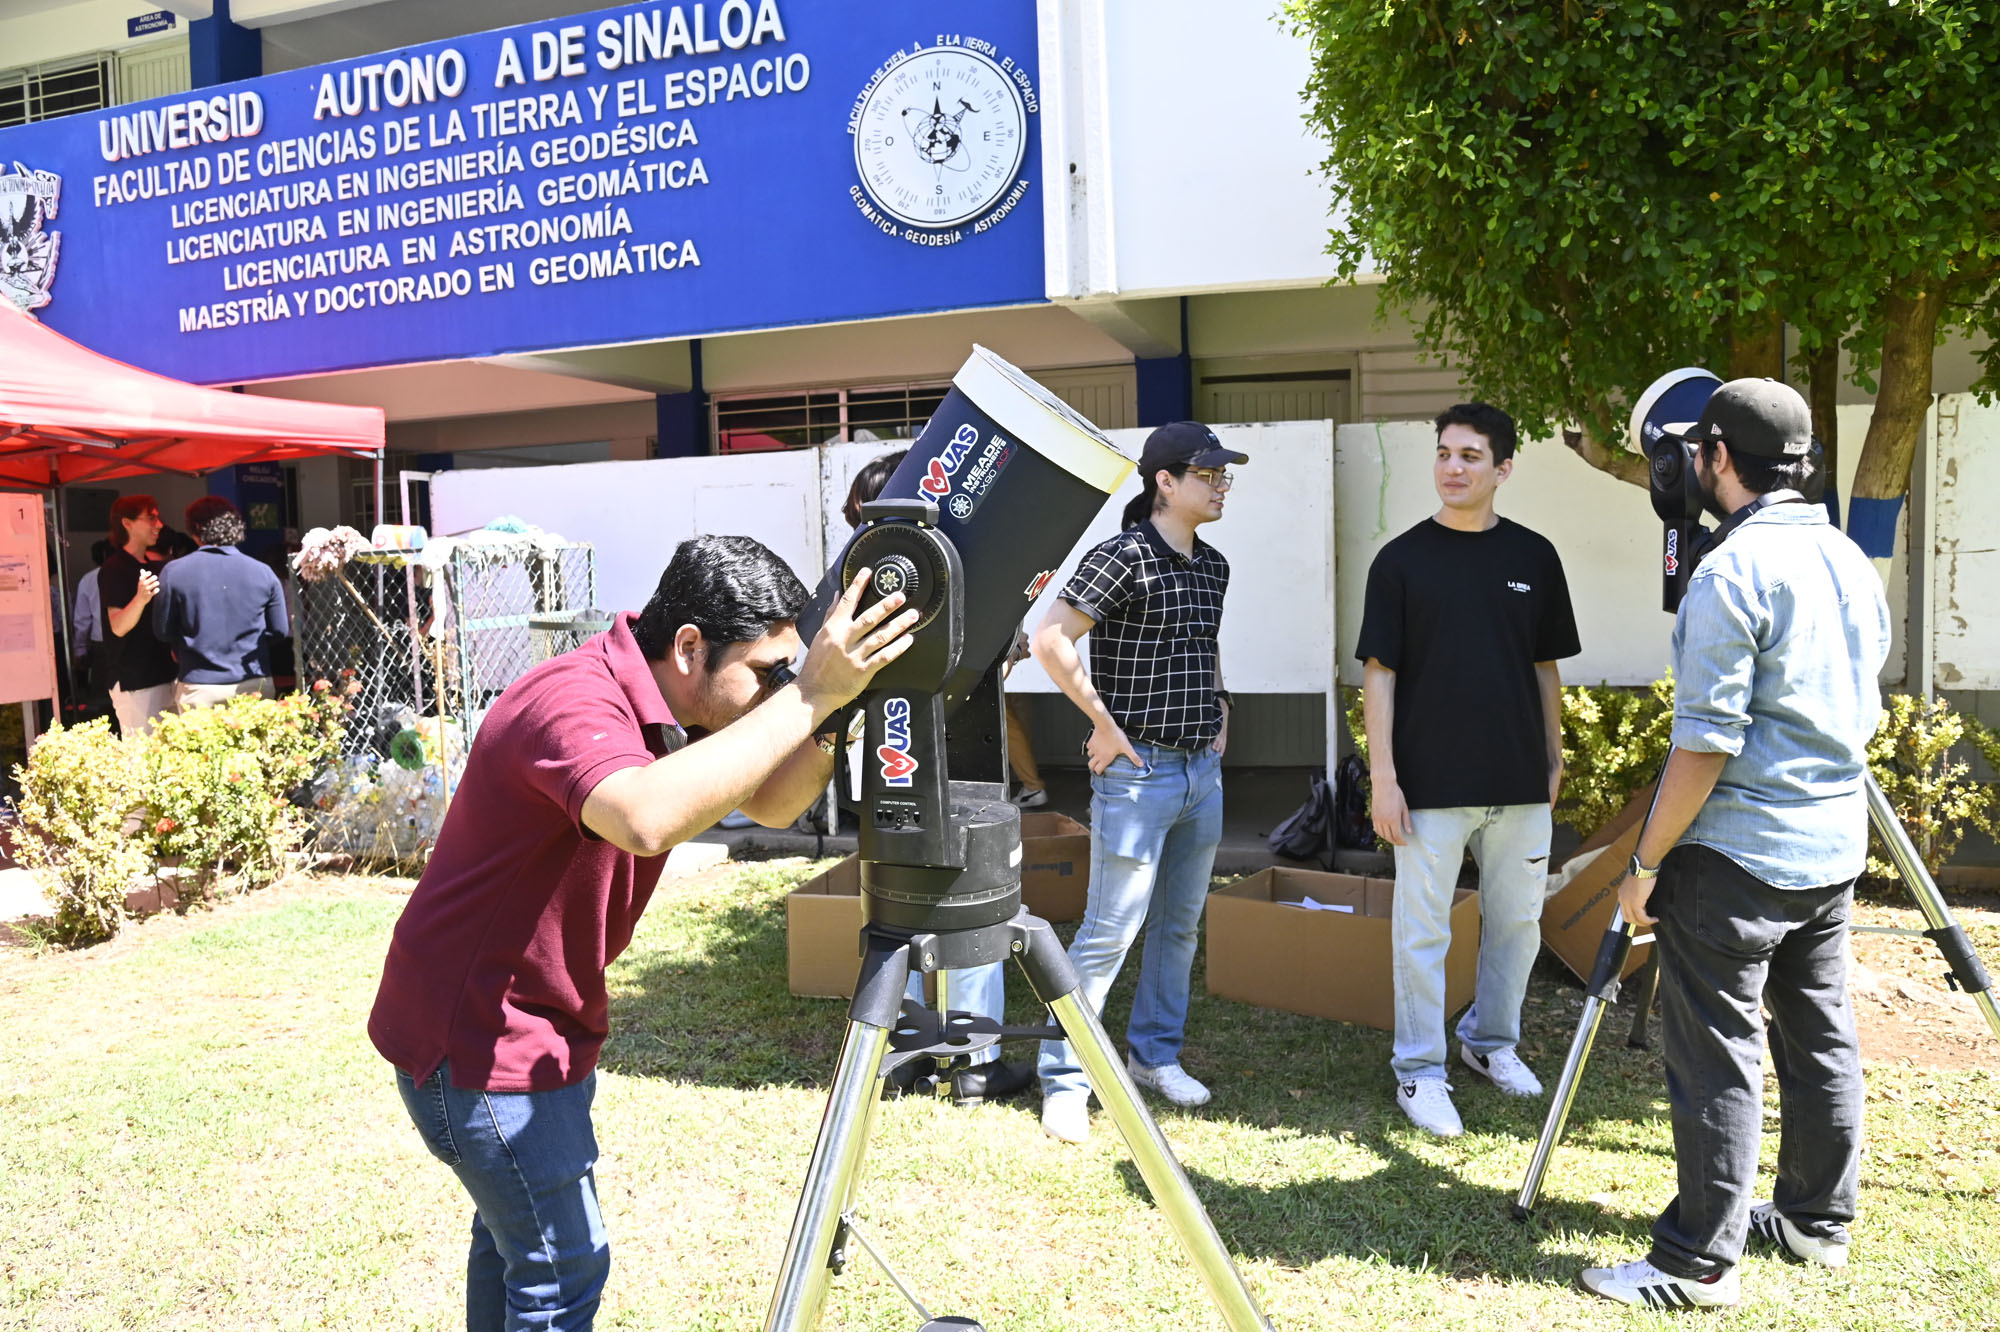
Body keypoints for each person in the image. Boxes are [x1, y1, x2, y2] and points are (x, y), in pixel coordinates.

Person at [368, 535, 917, 1330]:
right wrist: (811, 694)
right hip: (479, 1040)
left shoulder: (671, 700)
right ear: (689, 648)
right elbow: (646, 818)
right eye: (768, 673)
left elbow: (770, 802)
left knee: (518, 1246)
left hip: (529, 1023)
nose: (777, 690)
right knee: (562, 1267)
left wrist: (834, 711)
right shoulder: (572, 701)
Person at [1579, 379, 1890, 1310]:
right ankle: (1814, 1221)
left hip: (1736, 861)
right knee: (1819, 1035)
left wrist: (1643, 866)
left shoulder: (1728, 574)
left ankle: (1697, 1264)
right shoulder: (1846, 556)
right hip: (1831, 846)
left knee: (1716, 1053)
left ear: (1712, 457)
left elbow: (1705, 745)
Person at [1357, 402, 1579, 1138]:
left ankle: (1489, 1042)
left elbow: (1544, 667)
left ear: (1503, 469)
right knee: (1423, 933)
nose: (1452, 468)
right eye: (1445, 453)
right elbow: (1380, 674)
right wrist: (1383, 778)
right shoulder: (1400, 562)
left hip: (1518, 781)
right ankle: (1420, 1071)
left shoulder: (1534, 557)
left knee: (1516, 923)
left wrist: (1553, 754)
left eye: (1470, 456)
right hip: (1429, 784)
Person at [1030, 420, 1243, 1144]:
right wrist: (1102, 723)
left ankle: (1153, 1058)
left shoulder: (1213, 566)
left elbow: (1205, 644)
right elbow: (1050, 639)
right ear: (1166, 482)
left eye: (1224, 475)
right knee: (1109, 931)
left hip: (1200, 772)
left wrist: (1220, 706)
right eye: (1209, 475)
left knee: (1179, 925)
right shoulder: (1122, 556)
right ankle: (1065, 1080)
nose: (1222, 486)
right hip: (1137, 773)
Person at [842, 449, 1035, 1107]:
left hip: (894, 772)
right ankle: (973, 1063)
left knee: (900, 915)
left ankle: (906, 1054)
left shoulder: (858, 589)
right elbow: (1000, 662)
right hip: (940, 767)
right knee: (965, 907)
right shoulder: (945, 581)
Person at [152, 497, 290, 709]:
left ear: (196, 528)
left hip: (199, 683)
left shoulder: (174, 572)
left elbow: (163, 631)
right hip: (253, 680)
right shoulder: (263, 572)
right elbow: (279, 630)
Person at [98, 495, 179, 737]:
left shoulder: (155, 566)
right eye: (151, 518)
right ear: (127, 523)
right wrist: (141, 598)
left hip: (166, 675)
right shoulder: (114, 568)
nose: (159, 525)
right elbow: (118, 626)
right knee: (141, 754)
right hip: (135, 681)